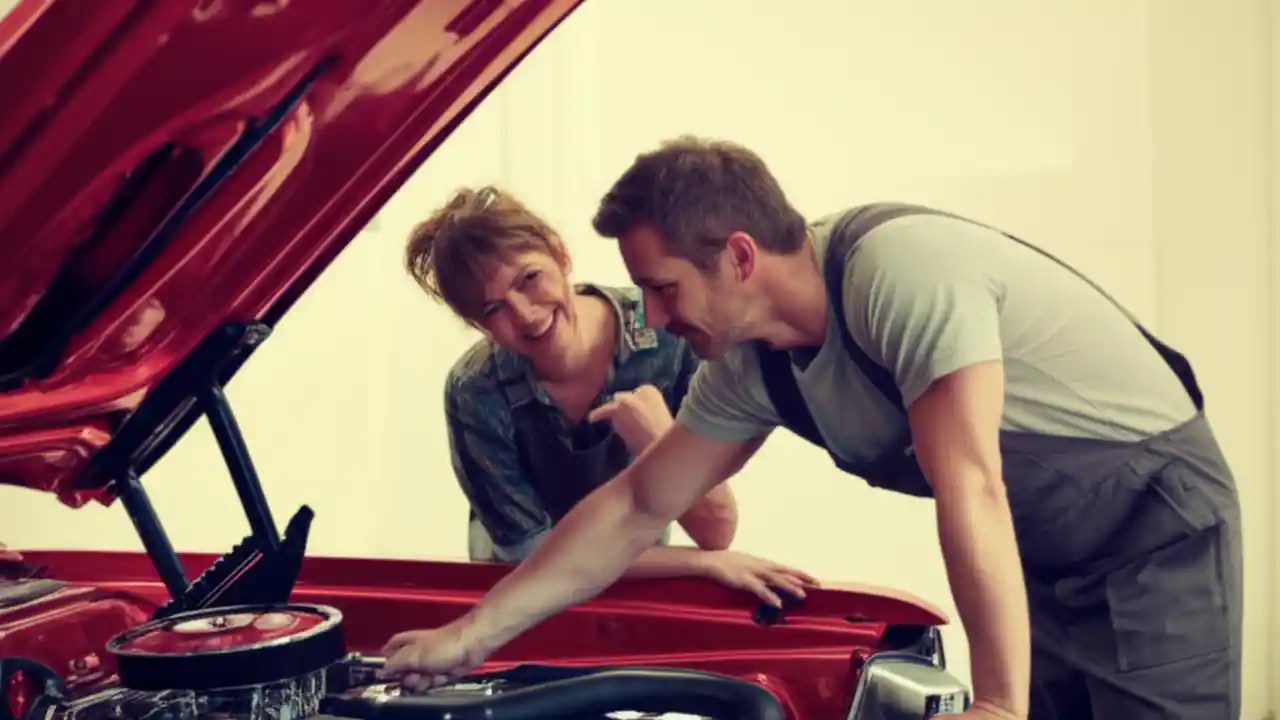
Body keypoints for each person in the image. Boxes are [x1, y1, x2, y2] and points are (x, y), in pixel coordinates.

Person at [383, 143, 1242, 720]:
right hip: (1043, 560)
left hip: (1152, 533)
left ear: (742, 257)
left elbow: (970, 483)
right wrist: (471, 635)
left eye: (666, 287)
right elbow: (639, 503)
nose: (650, 313)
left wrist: (999, 704)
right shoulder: (751, 364)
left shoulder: (898, 275)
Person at [403, 184, 816, 597]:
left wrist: (657, 437)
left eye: (529, 279)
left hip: (631, 595)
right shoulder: (475, 391)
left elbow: (717, 529)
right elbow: (530, 553)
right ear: (478, 323)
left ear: (560, 253)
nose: (525, 315)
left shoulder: (667, 335)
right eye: (493, 309)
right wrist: (699, 565)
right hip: (520, 603)